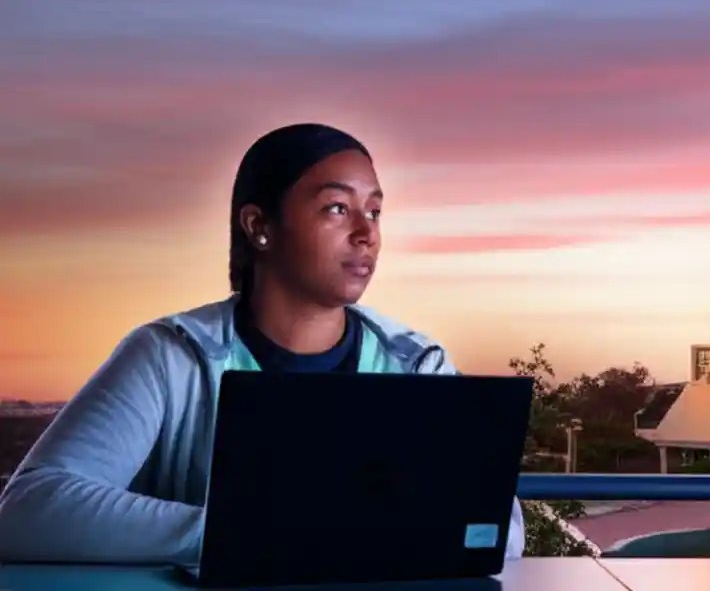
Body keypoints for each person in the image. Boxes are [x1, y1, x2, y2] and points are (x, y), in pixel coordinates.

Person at [0, 123, 526, 564]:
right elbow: (28, 510)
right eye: (337, 209)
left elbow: (504, 528)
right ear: (258, 226)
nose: (367, 233)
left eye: (376, 211)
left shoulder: (416, 365)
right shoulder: (170, 356)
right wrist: (247, 533)